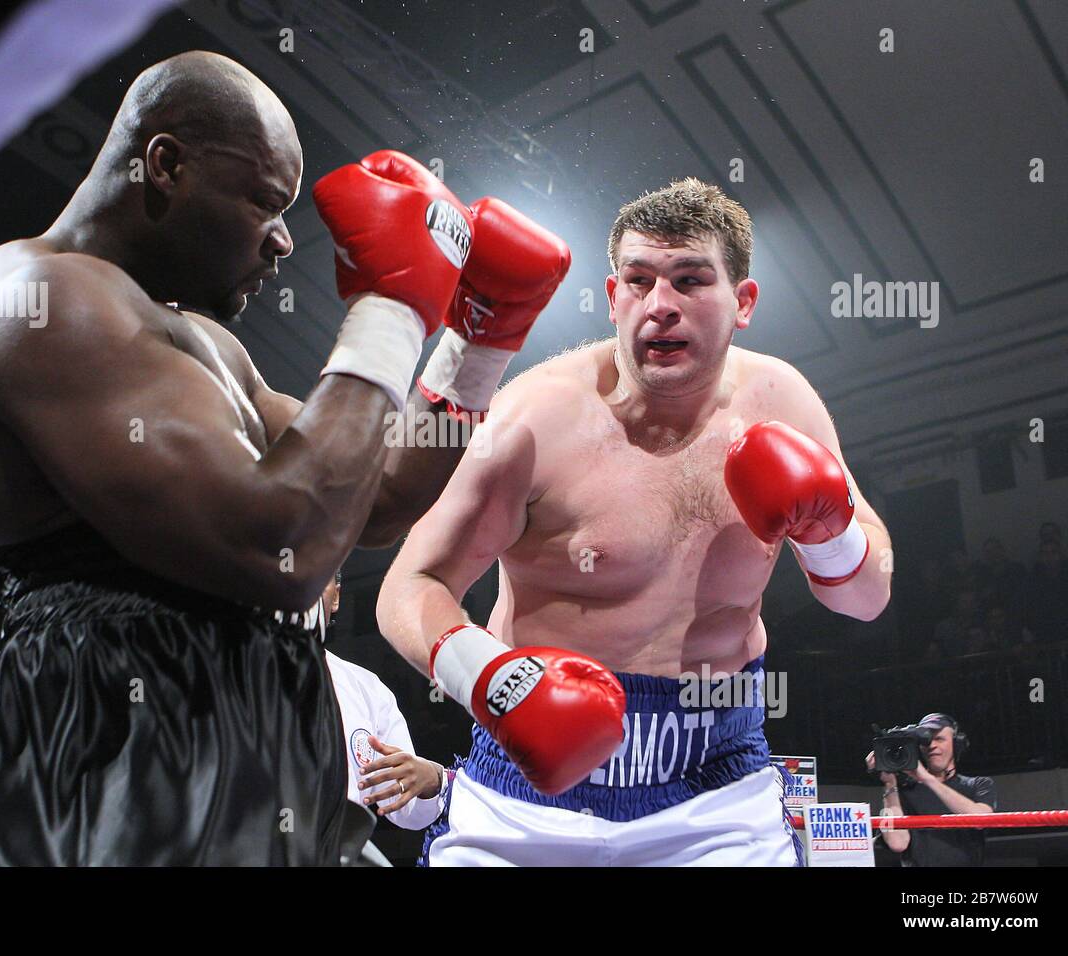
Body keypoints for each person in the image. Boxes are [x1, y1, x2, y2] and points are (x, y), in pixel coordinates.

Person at [0, 51, 568, 864]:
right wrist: (392, 307)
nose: (281, 241)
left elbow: (370, 497)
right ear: (165, 165)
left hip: (260, 745)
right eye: (266, 201)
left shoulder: (208, 347)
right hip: (122, 737)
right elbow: (280, 546)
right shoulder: (39, 298)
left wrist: (477, 339)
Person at [376, 178, 893, 866]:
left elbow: (866, 600)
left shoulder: (783, 402)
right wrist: (493, 680)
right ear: (613, 295)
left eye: (689, 280)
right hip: (528, 795)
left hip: (716, 791)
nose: (661, 307)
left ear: (743, 302)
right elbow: (410, 583)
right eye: (639, 281)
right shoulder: (534, 418)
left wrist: (835, 538)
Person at [319, 574, 449, 834]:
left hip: (333, 849)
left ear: (336, 597)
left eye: (319, 574)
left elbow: (405, 809)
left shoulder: (366, 688)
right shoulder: (228, 668)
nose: (306, 584)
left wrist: (433, 779)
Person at [870, 713, 995, 867]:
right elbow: (897, 843)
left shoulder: (978, 784)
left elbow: (981, 820)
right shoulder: (902, 791)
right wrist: (889, 783)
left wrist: (927, 779)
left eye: (939, 739)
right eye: (926, 741)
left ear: (956, 743)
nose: (932, 745)